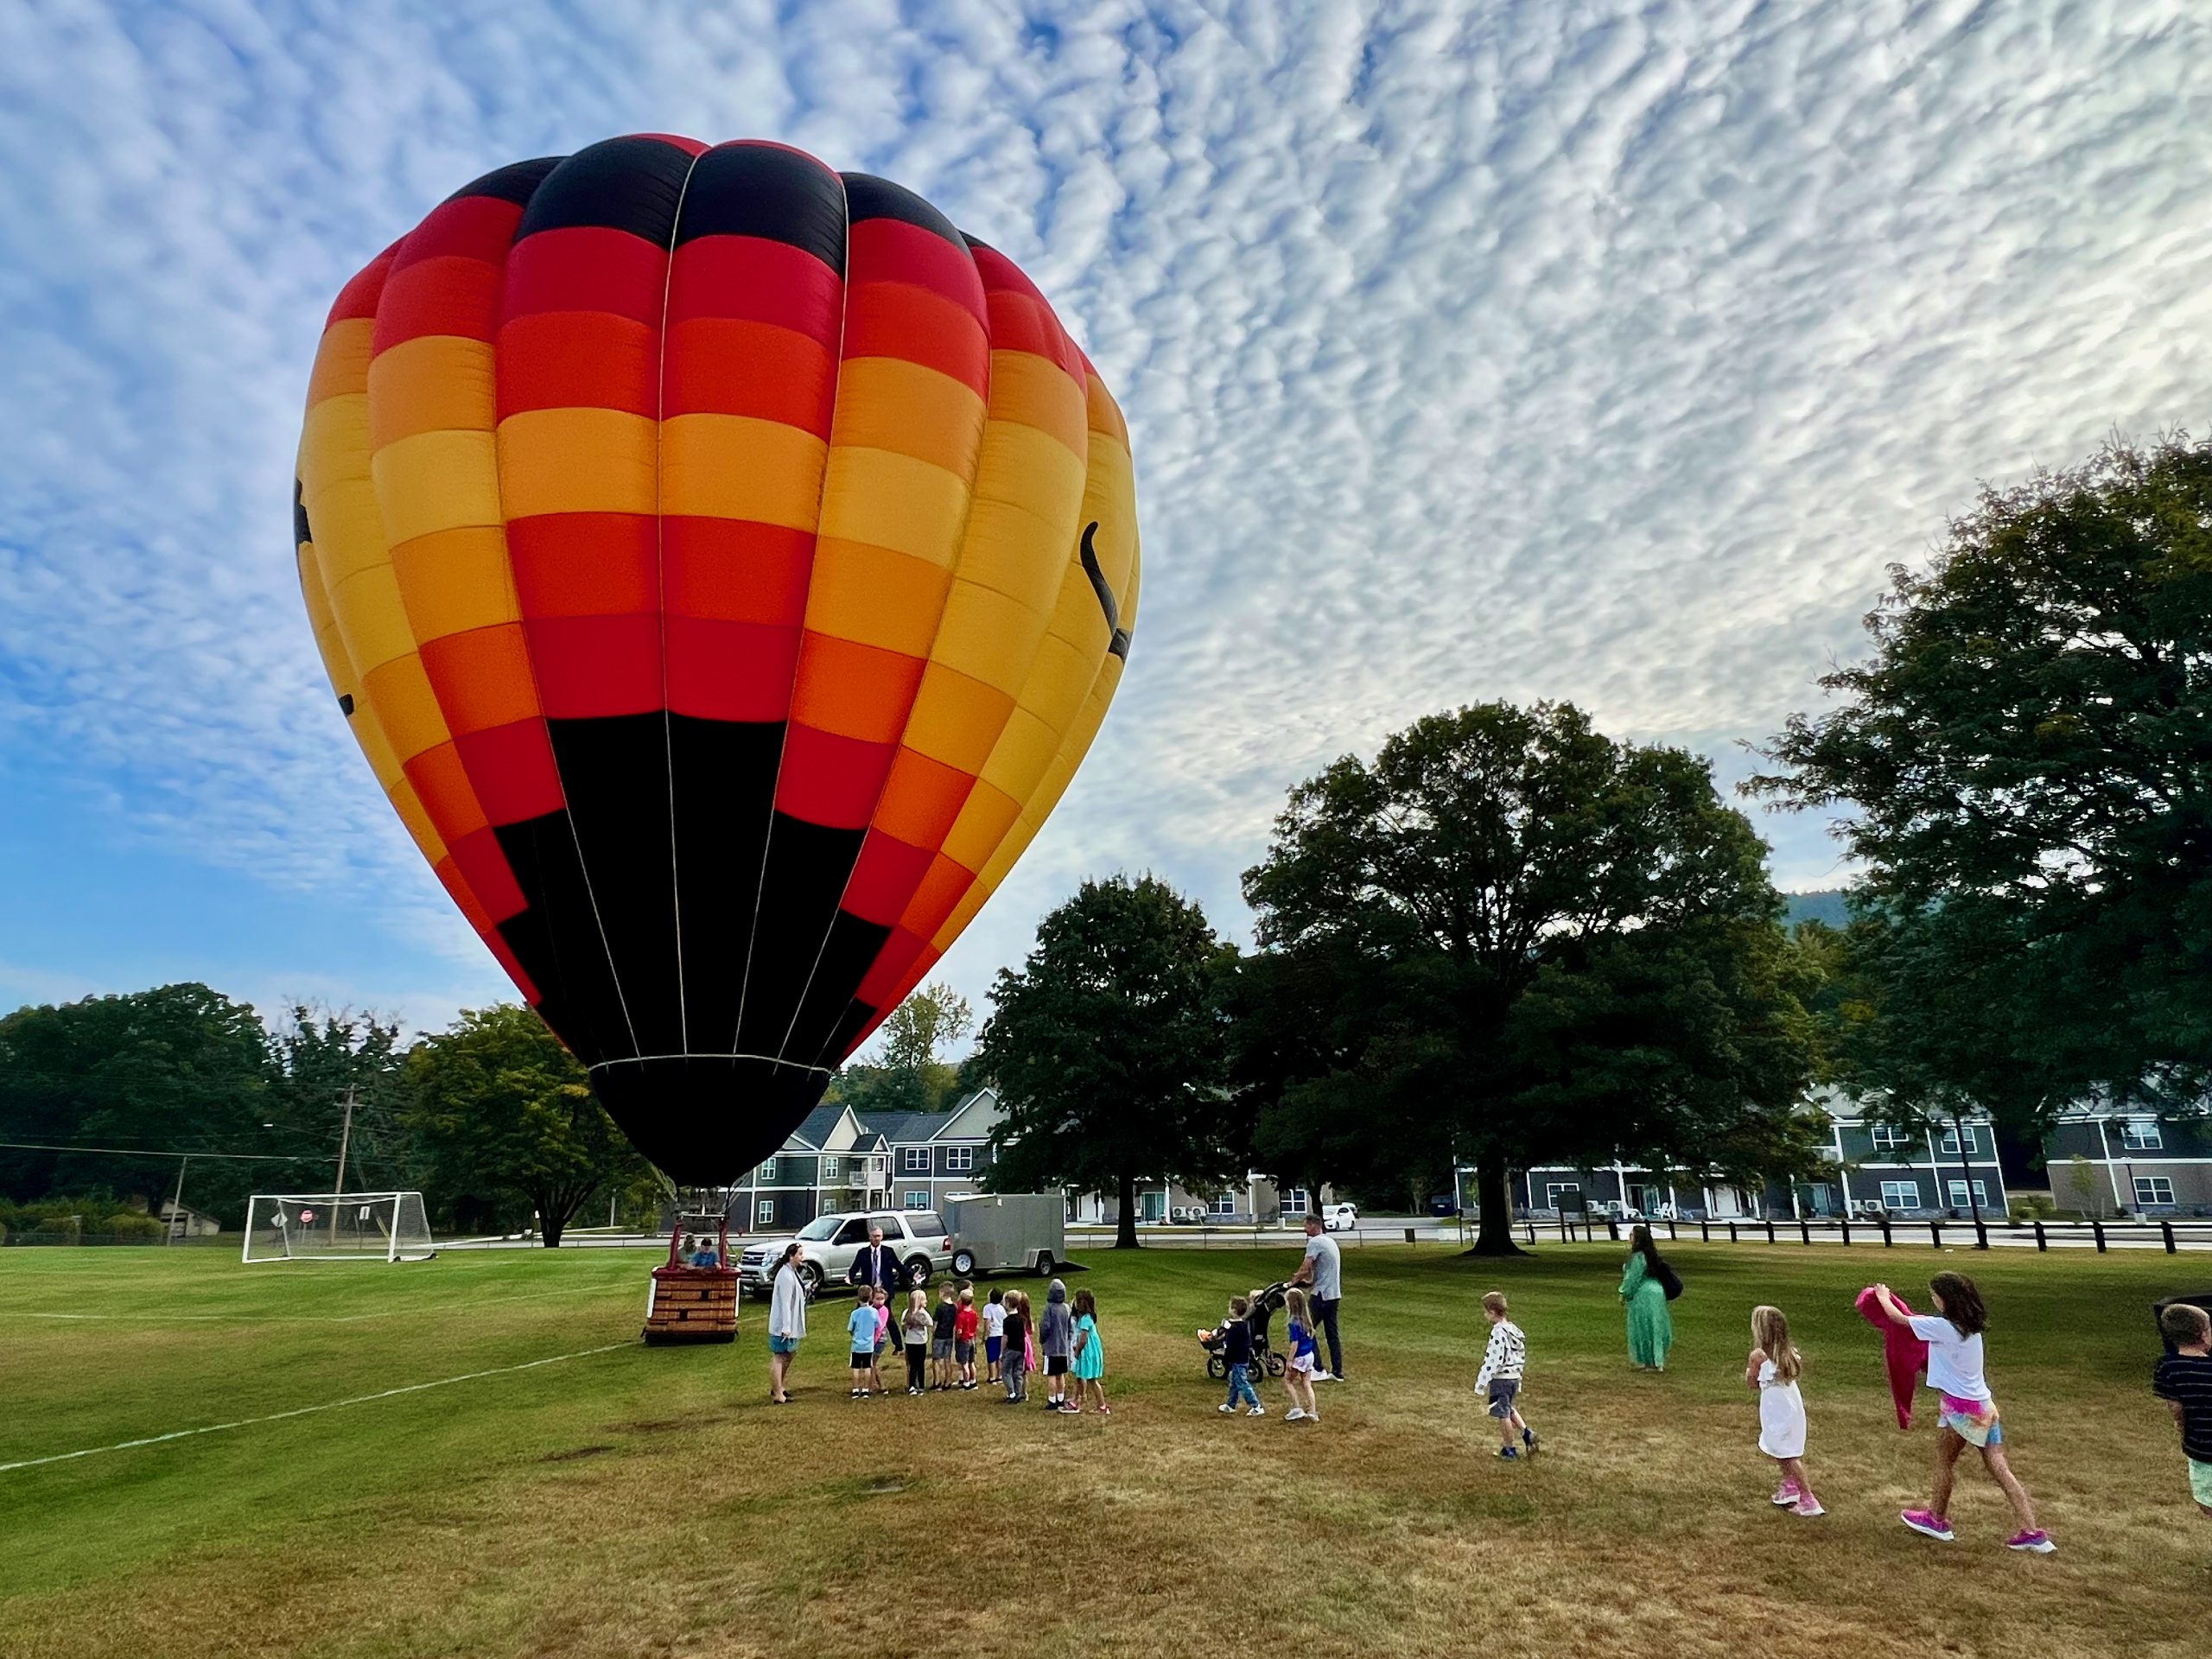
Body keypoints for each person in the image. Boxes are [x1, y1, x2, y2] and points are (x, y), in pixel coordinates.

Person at [1872, 1273, 2054, 1552]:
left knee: (1944, 1462)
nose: (1932, 1300)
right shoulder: (1971, 1327)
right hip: (1986, 1407)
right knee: (2001, 1469)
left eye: (1934, 1295)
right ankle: (2033, 1531)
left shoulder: (1944, 1328)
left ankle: (1936, 1519)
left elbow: (1901, 1320)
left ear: (1946, 1300)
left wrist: (1884, 1298)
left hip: (1961, 1410)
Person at [1746, 1305, 1820, 1516]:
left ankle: (1808, 1498)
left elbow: (1752, 1383)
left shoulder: (1758, 1357)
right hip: (1789, 1406)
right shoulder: (1790, 1354)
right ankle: (1789, 1485)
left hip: (1776, 1409)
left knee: (1787, 1454)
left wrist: (1750, 1372)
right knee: (1781, 1449)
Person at [2152, 1301, 2212, 1523]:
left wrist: (2181, 1425)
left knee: (2206, 1501)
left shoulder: (2168, 1368)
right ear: (2203, 1335)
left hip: (2201, 1447)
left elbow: (2176, 1408)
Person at [1474, 1290, 1535, 1458]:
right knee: (1508, 1408)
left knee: (1502, 1414)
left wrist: (1481, 1382)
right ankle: (1527, 1433)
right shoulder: (1514, 1331)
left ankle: (1509, 1449)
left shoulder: (1498, 1333)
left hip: (1501, 1380)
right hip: (1514, 1378)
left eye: (1485, 1312)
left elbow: (1494, 1360)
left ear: (1492, 1312)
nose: (1485, 1315)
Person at [1290, 1214, 1344, 1381]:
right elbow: (1321, 1270)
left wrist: (1292, 1282)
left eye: (1306, 1226)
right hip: (1334, 1294)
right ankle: (1337, 1372)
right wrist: (1308, 1283)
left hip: (1321, 1295)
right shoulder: (1329, 1241)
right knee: (1331, 1333)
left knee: (1307, 1328)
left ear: (1314, 1225)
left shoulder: (1315, 1242)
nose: (1304, 1229)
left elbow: (1306, 1267)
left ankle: (1317, 1368)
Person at [1618, 1224, 1675, 1371]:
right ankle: (1658, 1359)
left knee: (1644, 1326)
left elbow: (1632, 1279)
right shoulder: (1652, 1256)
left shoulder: (1638, 1257)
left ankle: (1650, 1361)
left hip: (1644, 1294)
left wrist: (1623, 1293)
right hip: (1657, 1291)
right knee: (1656, 1324)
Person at [766, 1243, 807, 1405]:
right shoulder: (785, 1275)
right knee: (779, 1356)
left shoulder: (792, 1273)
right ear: (791, 1256)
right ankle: (777, 1393)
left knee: (790, 1354)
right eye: (800, 1254)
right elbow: (785, 1303)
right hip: (782, 1325)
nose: (802, 1258)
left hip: (791, 1323)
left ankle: (779, 1386)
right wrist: (786, 1327)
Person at [1216, 1294, 1264, 1416]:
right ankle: (1231, 1405)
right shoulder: (1242, 1325)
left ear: (1234, 1310)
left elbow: (1230, 1344)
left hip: (1238, 1360)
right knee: (1234, 1382)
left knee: (1242, 1383)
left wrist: (1226, 1356)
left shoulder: (1235, 1329)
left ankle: (1256, 1405)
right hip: (1241, 1359)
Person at [1280, 1286, 1320, 1424]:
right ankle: (1313, 1411)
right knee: (1307, 1383)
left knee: (1288, 1380)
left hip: (1300, 1356)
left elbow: (1294, 1344)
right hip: (1310, 1355)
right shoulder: (1307, 1320)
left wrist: (1290, 1360)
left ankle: (1297, 1407)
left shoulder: (1293, 1323)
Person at [1039, 1278, 1075, 1412]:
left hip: (1051, 1348)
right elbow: (1070, 1327)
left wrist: (1043, 1340)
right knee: (1061, 1375)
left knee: (1051, 1375)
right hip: (1063, 1348)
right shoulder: (1066, 1308)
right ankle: (1061, 1398)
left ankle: (1052, 1400)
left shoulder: (1049, 1308)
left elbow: (1045, 1327)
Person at [1071, 1287, 1108, 1415]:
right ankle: (1078, 1400)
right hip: (1090, 1351)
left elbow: (1083, 1339)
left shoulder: (1085, 1320)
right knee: (1081, 1376)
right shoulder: (1089, 1317)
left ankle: (1101, 1406)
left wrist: (1077, 1350)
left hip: (1088, 1352)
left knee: (1091, 1380)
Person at [848, 1225, 905, 1300]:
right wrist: (850, 1277)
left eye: (878, 1236)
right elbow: (855, 1267)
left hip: (884, 1289)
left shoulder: (888, 1252)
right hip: (868, 1289)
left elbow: (899, 1266)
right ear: (870, 1237)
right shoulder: (862, 1253)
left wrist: (912, 1275)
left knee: (885, 1310)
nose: (876, 1239)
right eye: (874, 1236)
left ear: (882, 1237)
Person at [847, 1288, 880, 1399]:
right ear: (871, 1297)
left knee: (855, 1368)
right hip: (869, 1345)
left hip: (857, 1345)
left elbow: (850, 1328)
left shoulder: (855, 1313)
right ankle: (866, 1389)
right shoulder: (874, 1312)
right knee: (867, 1367)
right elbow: (878, 1325)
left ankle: (855, 1389)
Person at [1001, 1289, 1031, 1404]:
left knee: (1006, 1372)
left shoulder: (1007, 1321)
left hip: (1011, 1349)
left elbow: (1005, 1338)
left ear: (1008, 1303)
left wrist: (1002, 1351)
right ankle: (1019, 1393)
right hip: (1021, 1349)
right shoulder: (1021, 1319)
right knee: (1018, 1372)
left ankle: (1012, 1393)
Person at [900, 1288, 932, 1395]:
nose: (926, 1301)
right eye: (924, 1300)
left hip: (911, 1342)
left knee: (914, 1365)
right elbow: (931, 1323)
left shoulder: (907, 1312)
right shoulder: (920, 1312)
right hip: (918, 1342)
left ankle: (914, 1386)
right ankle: (918, 1386)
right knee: (918, 1365)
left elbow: (903, 1326)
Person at [931, 1285, 959, 1390]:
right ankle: (948, 1381)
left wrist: (933, 1333)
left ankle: (937, 1381)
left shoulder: (940, 1307)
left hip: (939, 1336)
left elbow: (935, 1323)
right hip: (949, 1336)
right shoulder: (955, 1307)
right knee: (947, 1359)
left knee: (936, 1359)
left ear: (942, 1293)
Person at [954, 1287, 981, 1390]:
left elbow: (959, 1331)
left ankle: (966, 1383)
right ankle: (973, 1381)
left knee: (964, 1363)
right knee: (971, 1362)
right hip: (971, 1339)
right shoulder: (974, 1313)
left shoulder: (961, 1316)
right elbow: (976, 1326)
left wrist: (957, 1337)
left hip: (963, 1340)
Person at [869, 1286, 893, 1395]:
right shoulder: (871, 1309)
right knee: (871, 1363)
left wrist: (873, 1341)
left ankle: (874, 1385)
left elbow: (880, 1327)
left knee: (872, 1363)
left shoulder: (884, 1310)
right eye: (877, 1299)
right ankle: (880, 1386)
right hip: (871, 1339)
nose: (880, 1301)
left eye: (882, 1299)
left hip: (879, 1340)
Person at [982, 1287, 1007, 1386]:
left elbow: (987, 1323)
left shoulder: (987, 1308)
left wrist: (985, 1336)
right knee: (999, 1356)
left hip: (992, 1335)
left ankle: (992, 1376)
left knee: (991, 1357)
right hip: (1001, 1333)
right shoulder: (1002, 1308)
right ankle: (999, 1376)